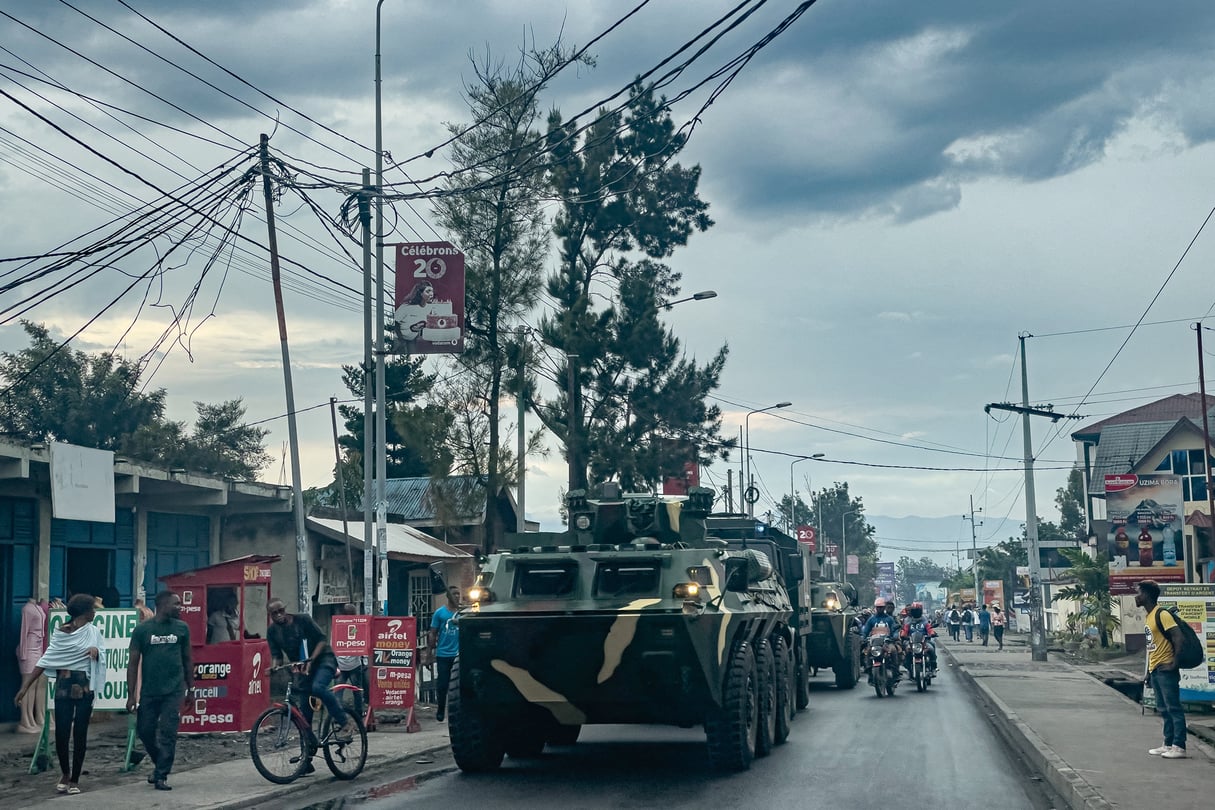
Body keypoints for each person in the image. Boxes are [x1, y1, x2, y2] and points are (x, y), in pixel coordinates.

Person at [14, 594, 105, 796]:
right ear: (83, 612)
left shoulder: (94, 632)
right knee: (62, 733)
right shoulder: (62, 633)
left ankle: (75, 779)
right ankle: (65, 773)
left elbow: (101, 652)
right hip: (64, 687)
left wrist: (95, 651)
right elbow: (47, 659)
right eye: (92, 609)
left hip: (85, 687)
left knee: (80, 734)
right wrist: (25, 687)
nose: (95, 612)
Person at [267, 597, 357, 770]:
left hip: (324, 660)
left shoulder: (303, 619)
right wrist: (273, 668)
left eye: (281, 611)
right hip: (302, 669)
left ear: (285, 610)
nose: (278, 615)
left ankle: (344, 722)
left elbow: (322, 640)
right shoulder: (272, 632)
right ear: (270, 615)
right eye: (274, 613)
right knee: (303, 716)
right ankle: (306, 761)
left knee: (318, 687)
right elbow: (277, 656)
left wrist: (312, 659)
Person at [127, 590, 193, 791]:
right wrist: (131, 695)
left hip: (174, 689)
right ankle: (159, 765)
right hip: (149, 690)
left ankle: (162, 775)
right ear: (163, 605)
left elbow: (188, 659)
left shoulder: (182, 628)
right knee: (145, 730)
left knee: (168, 732)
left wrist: (191, 688)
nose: (180, 608)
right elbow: (133, 663)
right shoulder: (142, 630)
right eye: (176, 604)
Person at [1136, 580, 1187, 758]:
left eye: (1140, 592)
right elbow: (1152, 646)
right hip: (1156, 669)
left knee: (1173, 708)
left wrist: (1174, 662)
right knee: (1163, 708)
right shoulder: (1149, 617)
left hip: (1166, 668)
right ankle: (1167, 743)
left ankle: (1179, 746)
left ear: (1148, 595)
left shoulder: (1162, 614)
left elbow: (1178, 637)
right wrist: (1148, 672)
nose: (1137, 596)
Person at [428, 585, 461, 722]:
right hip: (443, 654)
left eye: (459, 594)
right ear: (448, 596)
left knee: (460, 684)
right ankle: (441, 709)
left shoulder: (463, 612)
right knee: (442, 684)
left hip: (459, 655)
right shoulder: (440, 613)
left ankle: (458, 710)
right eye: (454, 594)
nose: (457, 596)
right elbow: (433, 633)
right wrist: (429, 653)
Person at [334, 603, 367, 718]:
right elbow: (363, 645)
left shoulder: (337, 626)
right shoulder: (358, 625)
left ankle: (337, 714)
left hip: (340, 664)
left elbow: (333, 645)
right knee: (357, 690)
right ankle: (358, 713)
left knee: (338, 690)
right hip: (354, 664)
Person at [899, 601, 938, 674]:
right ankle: (908, 667)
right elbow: (905, 630)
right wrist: (903, 635)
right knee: (907, 651)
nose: (916, 612)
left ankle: (933, 667)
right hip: (912, 642)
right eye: (914, 611)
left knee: (932, 647)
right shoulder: (908, 621)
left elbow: (929, 628)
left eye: (917, 611)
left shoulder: (924, 620)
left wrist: (932, 633)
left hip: (924, 642)